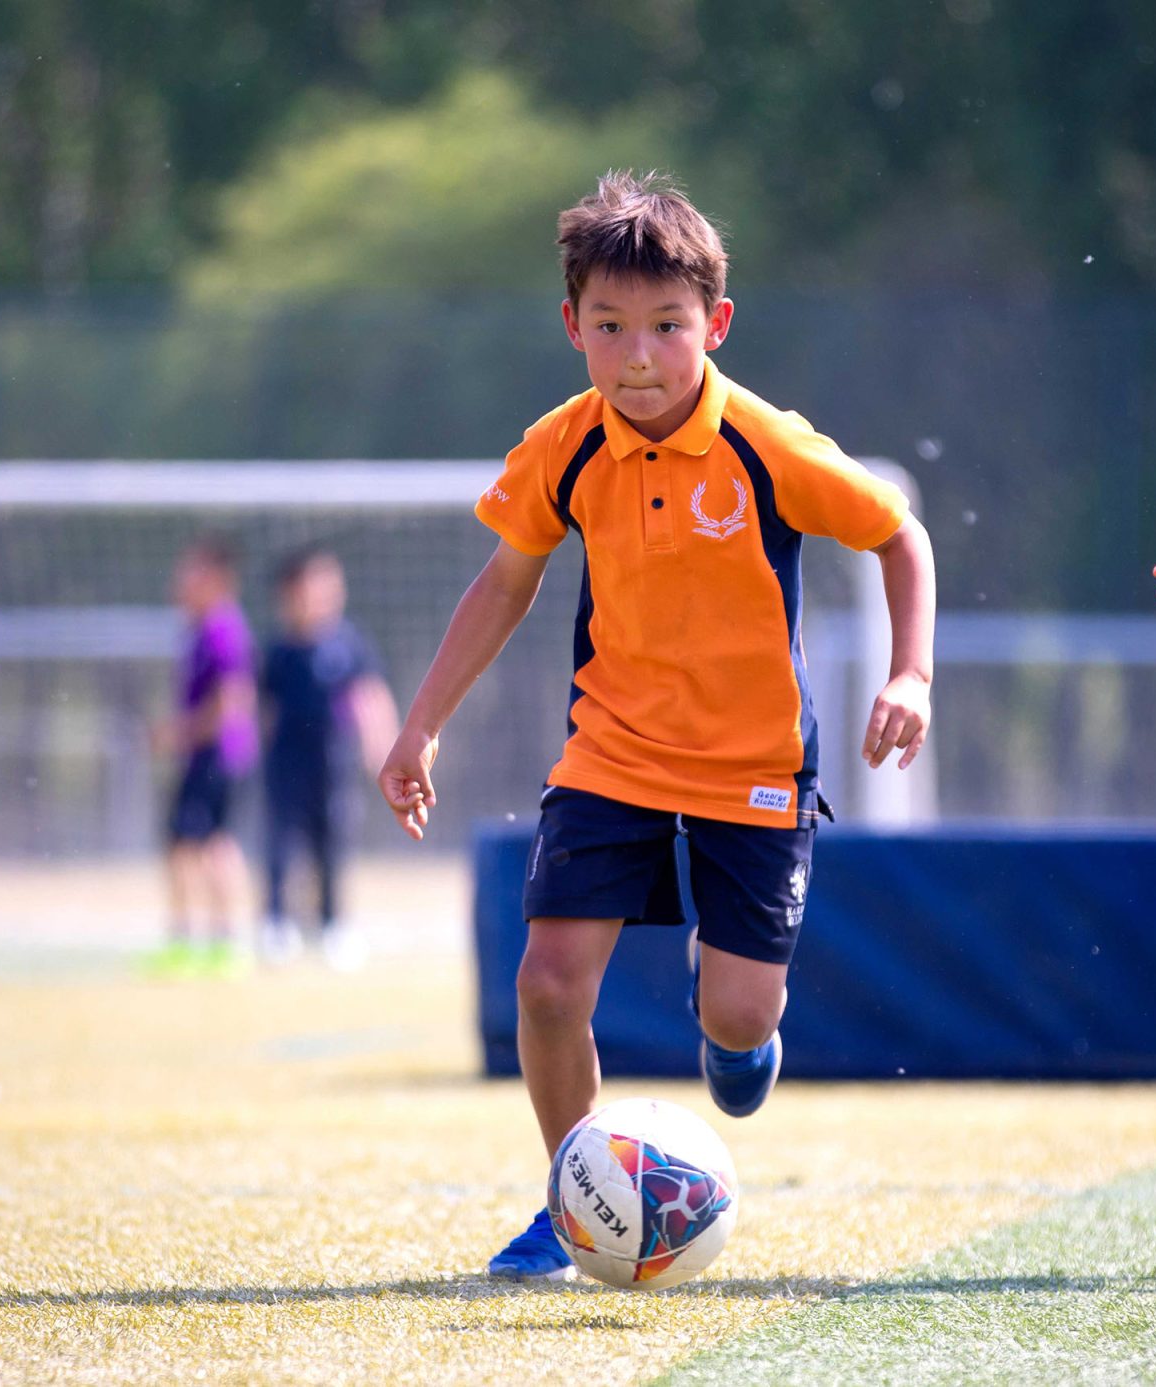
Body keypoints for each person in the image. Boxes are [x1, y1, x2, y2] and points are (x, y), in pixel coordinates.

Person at [378, 171, 936, 1282]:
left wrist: (911, 673)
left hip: (755, 765)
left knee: (734, 1021)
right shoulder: (564, 445)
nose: (637, 357)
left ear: (714, 325)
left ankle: (733, 1022)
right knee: (545, 983)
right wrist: (419, 724)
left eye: (666, 328)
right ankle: (566, 1199)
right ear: (571, 327)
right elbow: (502, 584)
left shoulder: (768, 444)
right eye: (610, 328)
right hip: (613, 753)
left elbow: (899, 536)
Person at [257, 547, 398, 971]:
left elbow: (370, 698)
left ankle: (333, 924)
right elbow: (263, 708)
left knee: (332, 843)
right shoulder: (279, 650)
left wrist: (384, 749)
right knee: (282, 843)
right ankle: (277, 923)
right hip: (286, 763)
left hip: (333, 764)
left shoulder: (349, 644)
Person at [149, 535, 258, 980]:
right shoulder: (200, 629)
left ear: (214, 579)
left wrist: (181, 734)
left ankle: (216, 943)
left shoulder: (222, 629)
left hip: (217, 756)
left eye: (189, 572)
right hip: (208, 756)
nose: (180, 582)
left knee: (207, 845)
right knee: (193, 844)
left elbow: (233, 698)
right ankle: (199, 942)